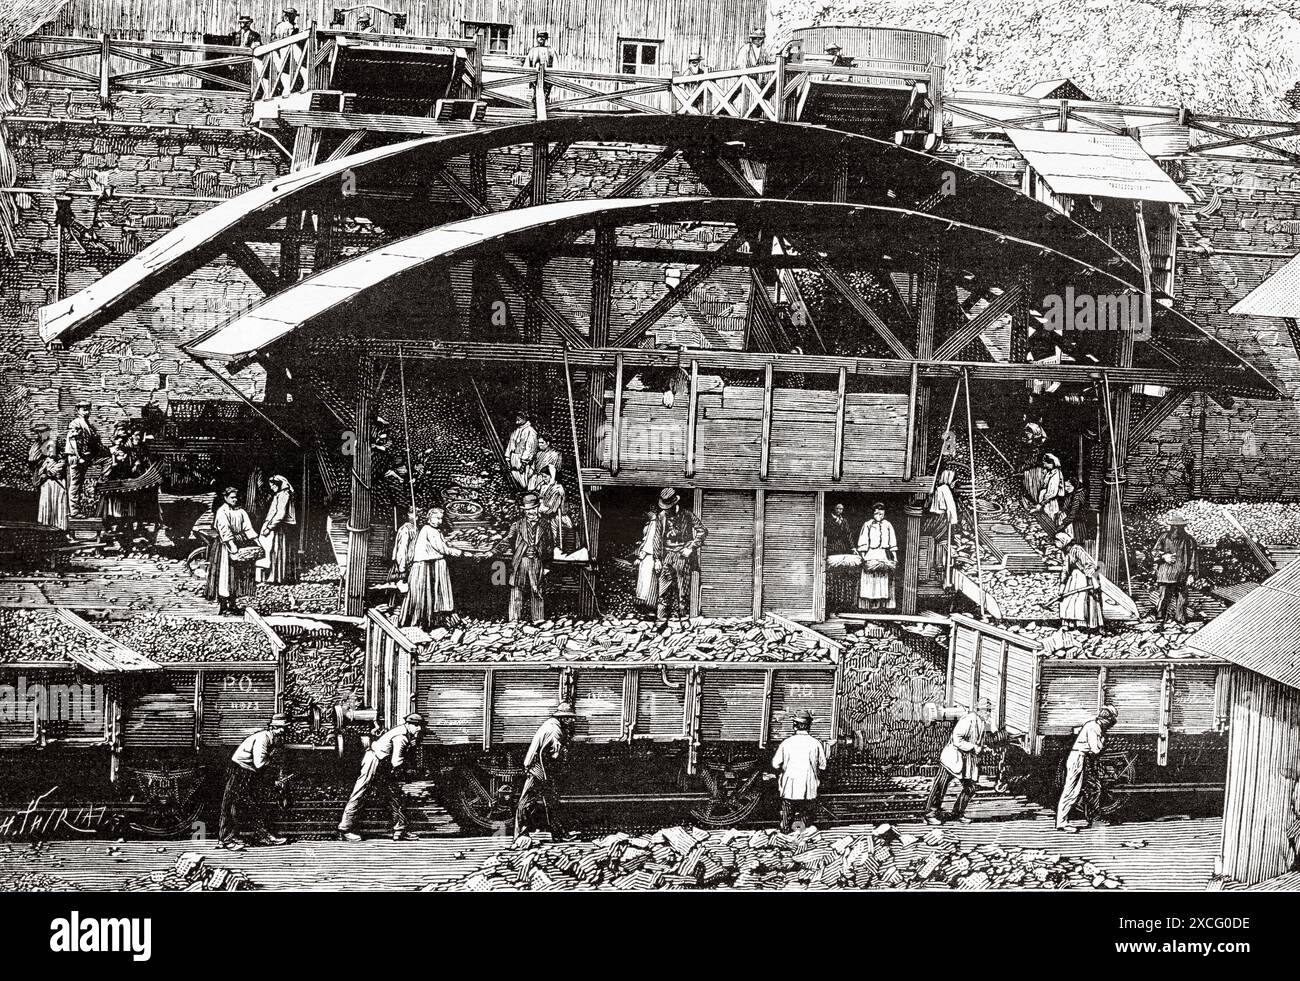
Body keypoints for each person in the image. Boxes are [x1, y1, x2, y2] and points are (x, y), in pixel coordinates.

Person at [338, 714, 426, 841]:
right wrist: (406, 775)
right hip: (373, 760)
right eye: (416, 725)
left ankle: (400, 831)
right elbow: (397, 762)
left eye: (420, 726)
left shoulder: (406, 733)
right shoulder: (401, 736)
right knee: (360, 792)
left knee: (396, 796)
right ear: (408, 724)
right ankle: (344, 830)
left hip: (382, 762)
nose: (418, 729)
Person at [219, 713, 289, 850]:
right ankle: (226, 840)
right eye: (281, 728)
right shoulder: (263, 738)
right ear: (273, 727)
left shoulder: (273, 739)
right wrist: (273, 776)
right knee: (231, 805)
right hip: (239, 771)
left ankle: (261, 836)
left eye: (284, 728)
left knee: (252, 805)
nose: (283, 731)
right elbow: (259, 763)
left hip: (248, 772)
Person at [925, 699, 991, 825]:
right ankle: (930, 814)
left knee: (970, 787)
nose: (988, 713)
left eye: (989, 710)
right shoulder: (968, 720)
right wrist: (973, 747)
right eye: (986, 710)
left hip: (966, 761)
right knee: (940, 785)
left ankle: (958, 813)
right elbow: (957, 739)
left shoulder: (982, 722)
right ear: (978, 710)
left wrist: (982, 748)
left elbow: (977, 742)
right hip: (952, 758)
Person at [515, 701, 577, 836]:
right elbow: (553, 755)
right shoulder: (555, 731)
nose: (572, 720)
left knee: (551, 801)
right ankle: (520, 836)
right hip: (538, 769)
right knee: (526, 802)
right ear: (564, 718)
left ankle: (559, 833)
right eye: (570, 717)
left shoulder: (550, 724)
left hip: (539, 767)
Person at [399, 506, 466, 629]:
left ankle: (428, 623)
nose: (440, 521)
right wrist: (460, 553)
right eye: (437, 518)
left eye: (441, 518)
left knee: (428, 597)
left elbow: (442, 544)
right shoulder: (428, 530)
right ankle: (418, 623)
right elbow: (441, 548)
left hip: (428, 565)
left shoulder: (433, 530)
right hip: (422, 566)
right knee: (422, 596)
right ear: (430, 518)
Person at [1056, 706, 1118, 832]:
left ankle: (1063, 821)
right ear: (1105, 720)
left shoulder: (1092, 725)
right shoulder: (1095, 728)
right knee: (1071, 791)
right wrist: (1103, 739)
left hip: (1080, 758)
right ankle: (1061, 822)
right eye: (1110, 722)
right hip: (1078, 758)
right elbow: (1096, 749)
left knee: (1077, 790)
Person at [653, 487, 707, 629]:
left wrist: (691, 547)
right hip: (667, 556)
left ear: (674, 503)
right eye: (665, 507)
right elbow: (657, 538)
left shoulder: (687, 515)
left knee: (683, 590)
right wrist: (657, 559)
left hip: (682, 557)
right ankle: (661, 621)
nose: (667, 510)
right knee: (663, 591)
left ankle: (684, 619)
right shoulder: (661, 516)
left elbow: (702, 531)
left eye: (669, 507)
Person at [206, 486, 259, 615]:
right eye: (232, 497)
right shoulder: (222, 511)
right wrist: (232, 548)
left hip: (240, 544)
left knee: (237, 575)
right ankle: (223, 605)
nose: (234, 500)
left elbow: (248, 528)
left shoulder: (241, 511)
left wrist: (258, 543)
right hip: (225, 546)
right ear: (225, 498)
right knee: (225, 574)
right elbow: (224, 530)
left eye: (236, 497)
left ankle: (234, 603)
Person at [771, 711, 827, 833]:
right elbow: (823, 766)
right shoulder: (816, 744)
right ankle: (801, 837)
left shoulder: (786, 743)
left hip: (790, 787)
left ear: (794, 726)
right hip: (809, 787)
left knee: (787, 819)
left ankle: (785, 836)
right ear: (809, 726)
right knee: (806, 820)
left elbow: (775, 763)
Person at [508, 493, 553, 622]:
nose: (531, 512)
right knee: (517, 589)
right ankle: (513, 620)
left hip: (536, 562)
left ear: (538, 508)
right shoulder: (517, 525)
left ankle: (538, 620)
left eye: (533, 509)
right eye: (528, 510)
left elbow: (550, 546)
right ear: (524, 511)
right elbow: (508, 540)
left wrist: (547, 566)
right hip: (521, 561)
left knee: (536, 590)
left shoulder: (545, 525)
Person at [1153, 514, 1198, 625]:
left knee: (1182, 599)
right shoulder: (1163, 537)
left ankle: (1180, 620)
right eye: (1175, 526)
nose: (1177, 529)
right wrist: (1164, 556)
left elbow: (1193, 558)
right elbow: (1154, 552)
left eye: (1180, 527)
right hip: (1165, 574)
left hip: (1182, 574)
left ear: (1184, 527)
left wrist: (1191, 574)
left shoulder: (1189, 540)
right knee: (1163, 597)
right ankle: (1160, 620)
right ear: (1171, 526)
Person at [1057, 531, 1103, 631]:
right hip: (1072, 578)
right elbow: (1065, 570)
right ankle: (1069, 623)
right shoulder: (1065, 553)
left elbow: (1089, 564)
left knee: (1080, 600)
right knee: (1067, 600)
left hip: (1081, 577)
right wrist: (1062, 585)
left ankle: (1081, 624)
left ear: (1063, 541)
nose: (1056, 544)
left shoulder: (1077, 549)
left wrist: (1092, 578)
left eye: (1057, 541)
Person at [64, 401, 101, 518]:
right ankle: (74, 512)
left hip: (83, 458)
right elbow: (72, 441)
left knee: (78, 484)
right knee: (75, 484)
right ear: (78, 410)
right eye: (84, 409)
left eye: (88, 409)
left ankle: (76, 510)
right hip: (76, 458)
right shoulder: (75, 423)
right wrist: (79, 457)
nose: (87, 411)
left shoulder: (86, 424)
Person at [98, 435, 136, 550]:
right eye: (117, 441)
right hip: (113, 489)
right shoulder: (110, 453)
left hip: (125, 486)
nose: (119, 444)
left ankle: (126, 541)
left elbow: (130, 467)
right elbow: (106, 471)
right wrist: (113, 462)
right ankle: (111, 539)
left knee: (126, 514)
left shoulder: (128, 453)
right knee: (113, 513)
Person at [857, 503, 897, 611]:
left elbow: (892, 542)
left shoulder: (888, 525)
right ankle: (868, 606)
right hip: (871, 554)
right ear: (873, 513)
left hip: (883, 554)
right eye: (876, 513)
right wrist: (864, 557)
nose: (879, 515)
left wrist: (894, 557)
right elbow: (863, 541)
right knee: (869, 579)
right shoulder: (868, 524)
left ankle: (880, 605)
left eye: (881, 513)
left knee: (882, 579)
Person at [257, 475, 297, 584]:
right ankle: (279, 576)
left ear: (278, 484)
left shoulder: (283, 495)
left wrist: (269, 527)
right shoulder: (282, 494)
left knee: (279, 550)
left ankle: (279, 577)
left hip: (282, 527)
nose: (271, 488)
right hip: (282, 526)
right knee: (278, 551)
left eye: (273, 485)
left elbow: (280, 513)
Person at [926, 470, 960, 586]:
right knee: (943, 540)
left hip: (936, 517)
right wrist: (954, 523)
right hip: (942, 518)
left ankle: (939, 567)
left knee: (939, 541)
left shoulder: (939, 488)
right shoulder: (945, 489)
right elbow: (951, 508)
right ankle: (941, 569)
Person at [34, 439, 68, 531]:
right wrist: (42, 474)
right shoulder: (44, 461)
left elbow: (53, 472)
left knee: (58, 507)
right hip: (46, 486)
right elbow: (39, 473)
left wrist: (47, 474)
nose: (51, 451)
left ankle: (60, 529)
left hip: (57, 486)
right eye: (49, 449)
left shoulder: (61, 461)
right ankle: (45, 528)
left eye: (53, 449)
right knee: (46, 505)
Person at [534, 467, 568, 554]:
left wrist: (541, 509)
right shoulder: (543, 487)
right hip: (543, 516)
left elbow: (553, 508)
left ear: (552, 476)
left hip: (554, 517)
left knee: (554, 539)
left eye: (545, 476)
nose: (543, 479)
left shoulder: (558, 488)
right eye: (542, 477)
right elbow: (540, 500)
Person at [635, 509, 659, 612]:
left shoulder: (655, 523)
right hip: (647, 555)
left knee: (647, 582)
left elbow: (650, 543)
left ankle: (648, 608)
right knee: (645, 582)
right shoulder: (651, 522)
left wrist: (640, 557)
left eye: (646, 512)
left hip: (650, 556)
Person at [506, 411, 538, 489]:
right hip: (514, 458)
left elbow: (530, 448)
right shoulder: (516, 431)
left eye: (520, 417)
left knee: (524, 481)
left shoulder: (531, 431)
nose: (518, 419)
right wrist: (508, 458)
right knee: (514, 477)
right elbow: (510, 444)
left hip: (523, 460)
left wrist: (524, 463)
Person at [525, 30, 555, 101]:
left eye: (543, 37)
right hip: (534, 78)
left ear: (546, 39)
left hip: (547, 78)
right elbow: (527, 65)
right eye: (539, 37)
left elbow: (555, 65)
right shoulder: (533, 50)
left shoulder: (550, 51)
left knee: (545, 97)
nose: (541, 38)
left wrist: (552, 77)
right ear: (537, 38)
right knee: (535, 97)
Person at [392, 507, 420, 581]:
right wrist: (402, 568)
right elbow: (402, 548)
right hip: (405, 565)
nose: (416, 517)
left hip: (411, 563)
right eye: (412, 513)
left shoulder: (415, 529)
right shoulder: (405, 529)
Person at [1058, 478, 1088, 544]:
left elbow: (1074, 512)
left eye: (1068, 486)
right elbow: (1066, 505)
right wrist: (1061, 511)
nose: (1066, 488)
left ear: (1074, 486)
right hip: (1072, 521)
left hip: (1078, 522)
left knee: (1078, 542)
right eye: (1065, 486)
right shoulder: (1071, 494)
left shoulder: (1078, 495)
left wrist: (1063, 524)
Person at [1037, 453, 1064, 518]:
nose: (1044, 465)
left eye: (1045, 463)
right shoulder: (1050, 473)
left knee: (1050, 518)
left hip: (1050, 502)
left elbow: (1052, 493)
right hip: (1046, 502)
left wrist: (1041, 504)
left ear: (1051, 463)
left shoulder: (1056, 474)